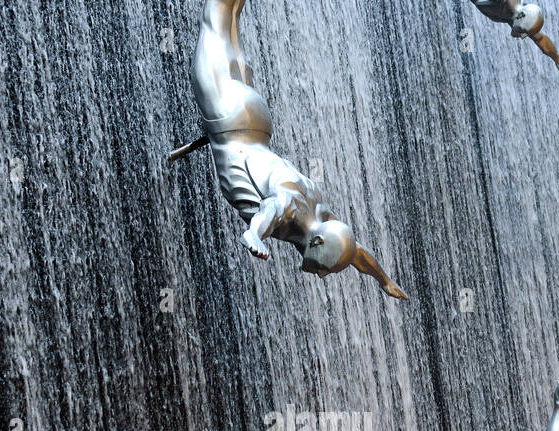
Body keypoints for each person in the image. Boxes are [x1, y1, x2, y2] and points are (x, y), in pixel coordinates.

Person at [169, 0, 407, 298]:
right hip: (227, 115)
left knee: (229, 18)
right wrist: (254, 235)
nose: (322, 275)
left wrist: (383, 280)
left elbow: (356, 253)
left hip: (254, 122)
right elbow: (272, 209)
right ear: (318, 243)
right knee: (217, 15)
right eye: (326, 268)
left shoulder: (321, 215)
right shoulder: (292, 208)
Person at [470, 2, 559, 75]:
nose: (522, 36)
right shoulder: (503, 4)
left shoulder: (516, 15)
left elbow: (541, 40)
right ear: (520, 19)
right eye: (523, 33)